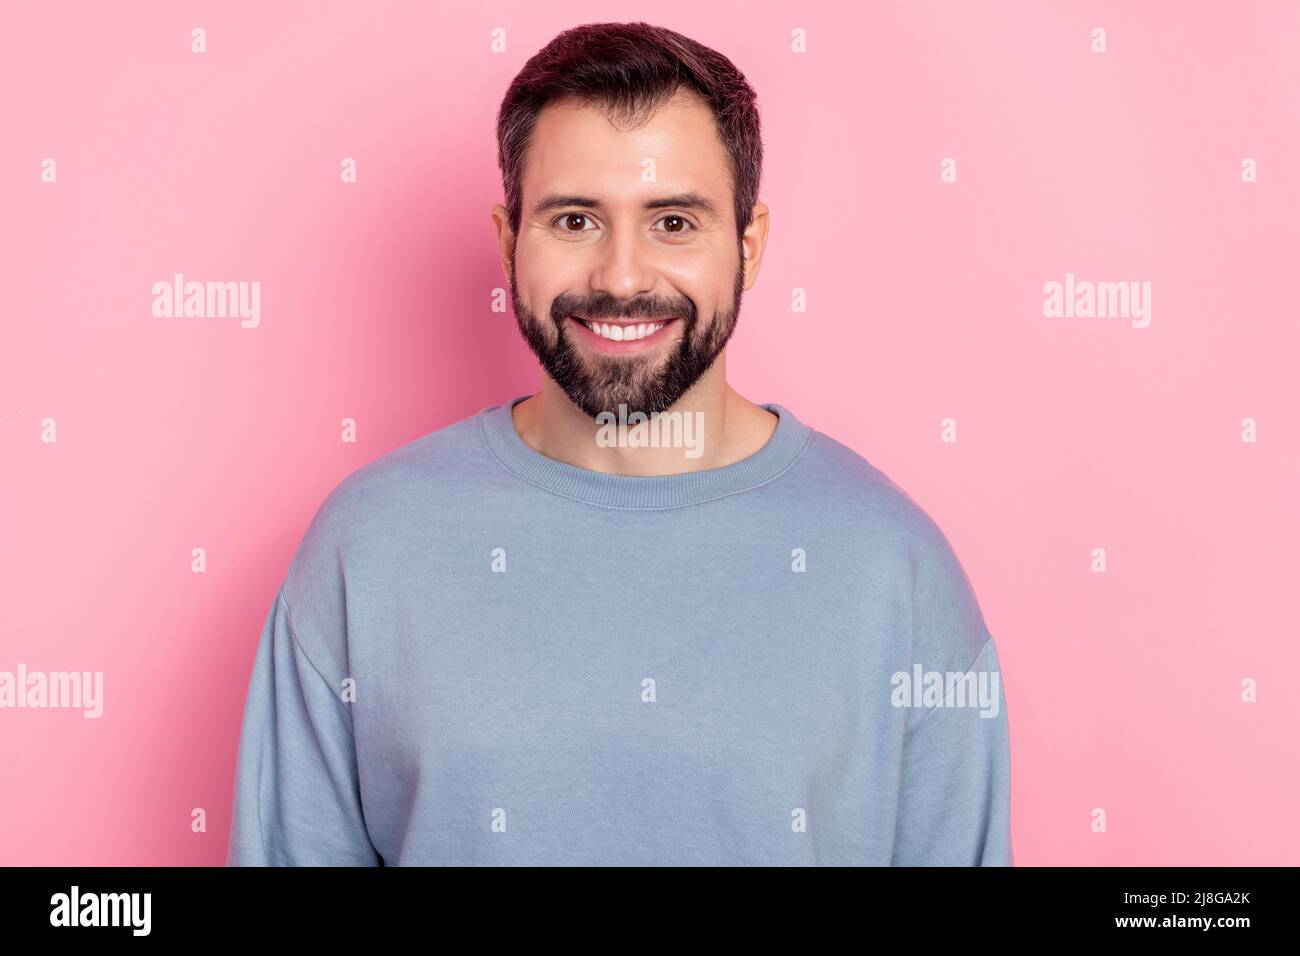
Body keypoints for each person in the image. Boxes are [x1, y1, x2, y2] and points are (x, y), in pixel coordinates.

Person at [226, 20, 1013, 866]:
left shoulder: (895, 566)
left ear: (748, 249)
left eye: (674, 221)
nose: (623, 278)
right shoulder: (367, 546)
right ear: (508, 243)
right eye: (575, 220)